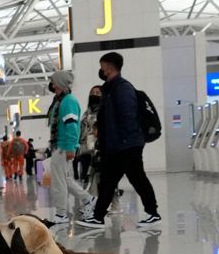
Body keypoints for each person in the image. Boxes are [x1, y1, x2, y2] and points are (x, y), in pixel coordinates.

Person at [76, 52, 160, 229]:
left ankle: (152, 213)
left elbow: (128, 117)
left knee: (136, 179)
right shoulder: (110, 88)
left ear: (107, 67)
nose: (101, 70)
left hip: (126, 145)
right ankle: (98, 217)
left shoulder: (122, 88)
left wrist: (121, 143)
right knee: (108, 181)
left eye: (102, 66)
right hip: (116, 145)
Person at [42, 70, 95, 222]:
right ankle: (88, 199)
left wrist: (70, 147)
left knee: (59, 181)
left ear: (59, 83)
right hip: (60, 146)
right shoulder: (61, 100)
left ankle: (61, 214)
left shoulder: (68, 101)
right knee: (65, 179)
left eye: (53, 81)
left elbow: (71, 126)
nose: (51, 84)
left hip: (63, 147)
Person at [73, 85, 101, 183]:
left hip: (99, 149)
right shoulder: (86, 113)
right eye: (92, 93)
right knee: (85, 177)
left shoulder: (105, 111)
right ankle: (89, 197)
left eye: (97, 93)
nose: (94, 94)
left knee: (100, 178)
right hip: (85, 150)